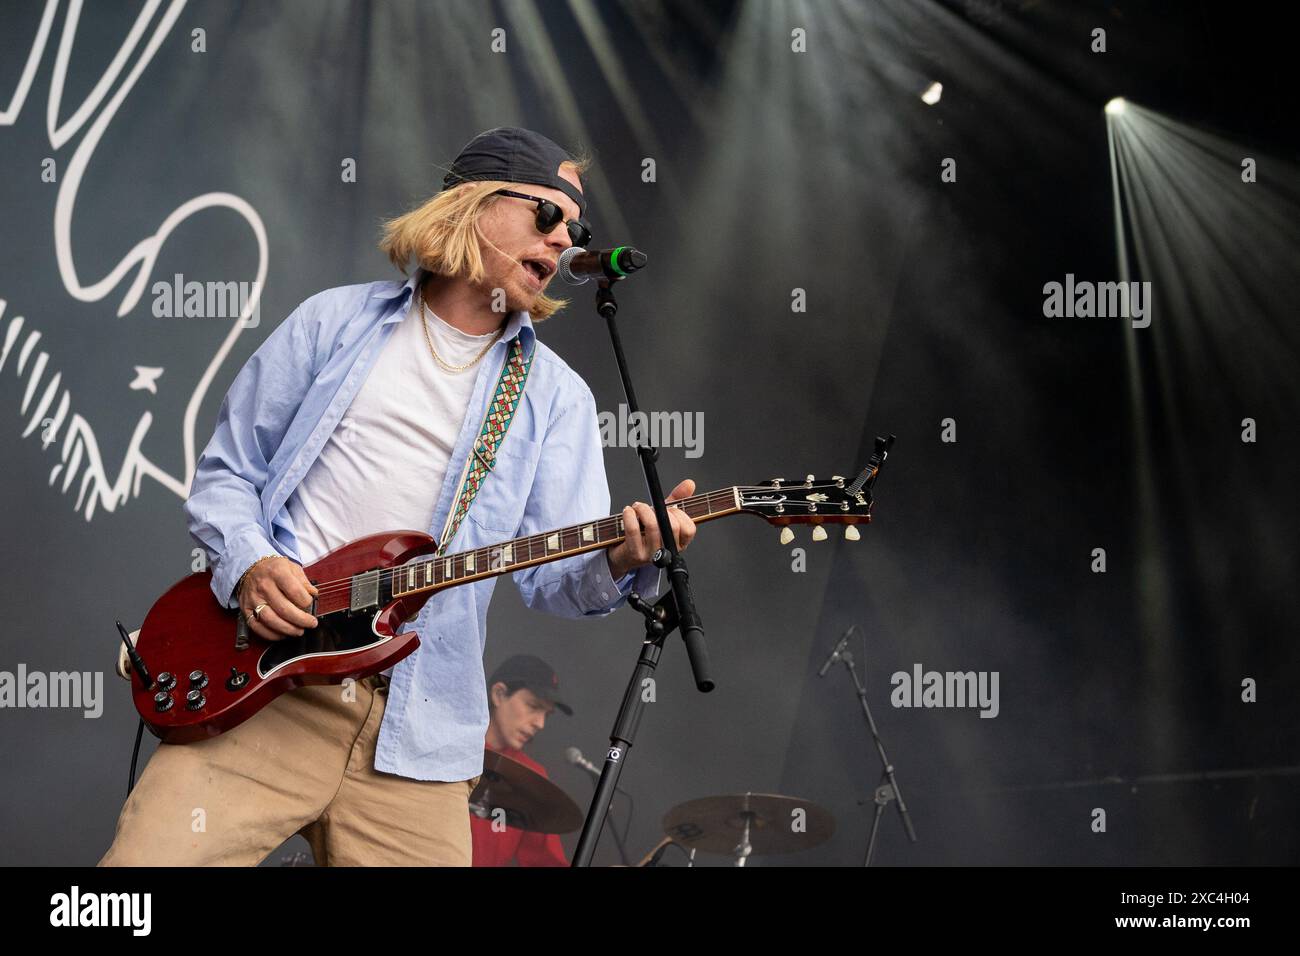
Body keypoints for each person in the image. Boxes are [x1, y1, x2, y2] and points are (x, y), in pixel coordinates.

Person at [99, 127, 696, 866]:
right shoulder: (333, 323)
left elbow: (552, 583)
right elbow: (228, 475)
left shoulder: (556, 399)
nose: (566, 241)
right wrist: (252, 565)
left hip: (419, 736)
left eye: (577, 229)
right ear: (472, 205)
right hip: (267, 693)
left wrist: (621, 560)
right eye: (548, 217)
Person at [471, 655, 574, 867]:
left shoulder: (532, 778)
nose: (540, 724)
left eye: (547, 715)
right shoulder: (445, 747)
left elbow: (546, 862)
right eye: (533, 706)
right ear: (499, 694)